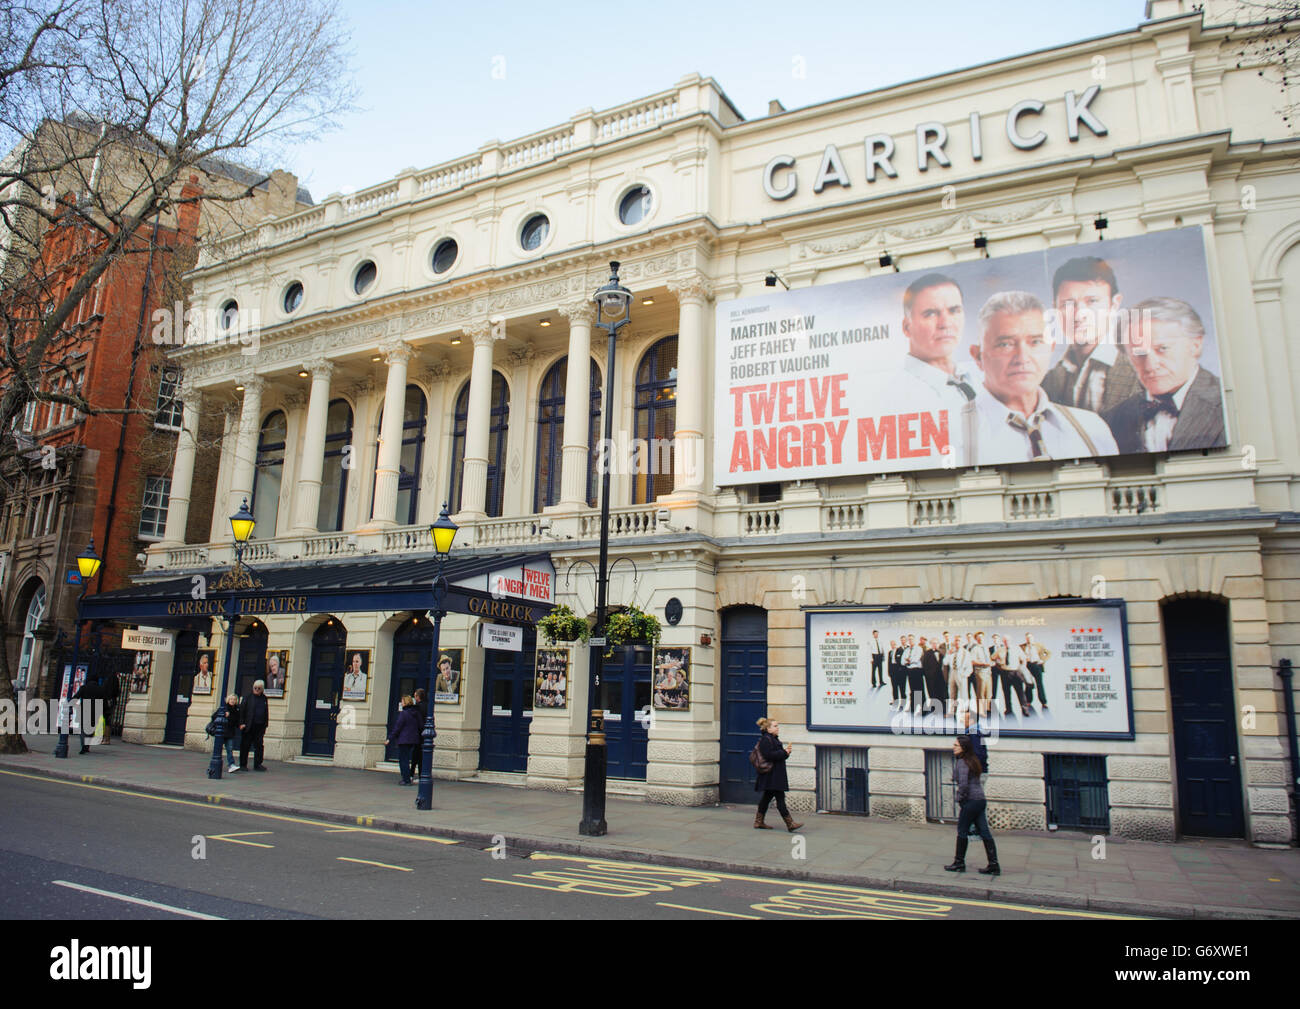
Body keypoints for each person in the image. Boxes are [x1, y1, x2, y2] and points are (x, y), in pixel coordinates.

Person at [969, 291, 1118, 464]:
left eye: (1036, 342)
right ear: (977, 356)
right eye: (1005, 344)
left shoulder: (1091, 428)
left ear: (1051, 348)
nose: (1023, 357)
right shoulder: (951, 435)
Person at [869, 273, 978, 466]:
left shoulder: (984, 378)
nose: (945, 323)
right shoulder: (889, 396)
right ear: (906, 327)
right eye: (931, 313)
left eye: (954, 310)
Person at [1103, 298, 1226, 455]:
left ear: (1195, 345)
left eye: (1162, 349)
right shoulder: (1112, 419)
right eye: (1138, 353)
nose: (1150, 365)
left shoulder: (1229, 403)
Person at [1041, 256, 1141, 415]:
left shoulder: (1143, 369)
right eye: (1068, 304)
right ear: (1055, 309)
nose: (1080, 314)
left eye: (1092, 301)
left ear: (1114, 304)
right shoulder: (1047, 382)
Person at [945, 734, 999, 875]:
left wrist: (960, 799)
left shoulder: (963, 762)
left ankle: (959, 863)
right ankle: (994, 864)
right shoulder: (973, 760)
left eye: (956, 745)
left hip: (971, 801)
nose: (953, 747)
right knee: (985, 832)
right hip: (980, 800)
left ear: (963, 748)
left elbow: (963, 785)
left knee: (962, 831)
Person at [753, 716, 803, 832]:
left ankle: (759, 821)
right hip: (772, 775)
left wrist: (786, 753)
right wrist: (784, 752)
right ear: (768, 729)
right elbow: (769, 755)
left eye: (777, 725)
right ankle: (790, 823)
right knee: (780, 798)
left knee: (766, 798)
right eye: (775, 726)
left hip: (774, 774)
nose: (777, 728)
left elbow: (776, 755)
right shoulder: (766, 739)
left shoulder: (772, 738)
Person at [385, 695, 420, 785]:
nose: (401, 703)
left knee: (403, 760)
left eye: (402, 701)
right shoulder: (415, 712)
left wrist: (390, 738)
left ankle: (406, 779)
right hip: (413, 739)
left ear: (405, 702)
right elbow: (420, 725)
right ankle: (408, 778)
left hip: (404, 739)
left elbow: (398, 727)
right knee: (407, 759)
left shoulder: (404, 714)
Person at [238, 679, 270, 771]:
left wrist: (265, 724)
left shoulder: (264, 698)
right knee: (245, 746)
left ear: (262, 689)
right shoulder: (247, 697)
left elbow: (266, 711)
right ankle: (243, 765)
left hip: (260, 726)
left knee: (259, 746)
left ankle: (258, 764)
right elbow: (242, 711)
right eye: (255, 688)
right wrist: (241, 723)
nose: (256, 689)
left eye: (259, 688)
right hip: (248, 726)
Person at [968, 631, 992, 717]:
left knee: (988, 692)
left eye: (982, 637)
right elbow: (972, 661)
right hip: (980, 672)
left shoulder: (986, 648)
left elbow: (989, 659)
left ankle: (988, 708)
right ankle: (981, 711)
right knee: (981, 692)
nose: (980, 639)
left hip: (988, 672)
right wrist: (983, 664)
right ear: (976, 639)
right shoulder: (975, 649)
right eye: (979, 637)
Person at [1023, 633, 1050, 709]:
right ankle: (1028, 701)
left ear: (1033, 638)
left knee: (1039, 684)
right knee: (1028, 683)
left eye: (1030, 637)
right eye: (1027, 638)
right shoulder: (1022, 646)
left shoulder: (1039, 645)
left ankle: (1043, 702)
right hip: (1027, 666)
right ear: (1026, 639)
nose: (1029, 639)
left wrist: (1042, 660)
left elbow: (1048, 653)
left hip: (1037, 665)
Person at [921, 636, 946, 713]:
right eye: (933, 643)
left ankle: (942, 707)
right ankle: (934, 707)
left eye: (936, 643)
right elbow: (924, 665)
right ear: (931, 644)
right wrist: (928, 675)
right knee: (932, 692)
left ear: (938, 644)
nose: (934, 645)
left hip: (940, 676)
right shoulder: (927, 653)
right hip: (931, 677)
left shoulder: (942, 653)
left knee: (941, 691)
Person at [217, 693, 241, 772]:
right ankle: (217, 763)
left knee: (229, 749)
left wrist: (240, 725)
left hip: (230, 732)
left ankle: (231, 764)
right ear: (228, 700)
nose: (233, 701)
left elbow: (236, 721)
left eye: (234, 699)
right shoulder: (224, 708)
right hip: (221, 732)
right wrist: (224, 715)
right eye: (231, 699)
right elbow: (215, 716)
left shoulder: (237, 710)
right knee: (218, 749)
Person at [904, 634, 926, 715]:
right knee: (912, 690)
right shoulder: (906, 650)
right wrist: (908, 661)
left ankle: (924, 709)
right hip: (910, 671)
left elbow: (916, 659)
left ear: (915, 640)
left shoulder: (919, 649)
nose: (910, 641)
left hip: (917, 671)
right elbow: (902, 661)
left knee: (920, 690)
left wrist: (908, 660)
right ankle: (912, 708)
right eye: (909, 639)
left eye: (912, 639)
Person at [410, 687, 428, 779]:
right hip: (425, 733)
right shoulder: (428, 706)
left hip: (418, 733)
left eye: (415, 696)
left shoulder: (418, 707)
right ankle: (421, 774)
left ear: (418, 697)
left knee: (416, 755)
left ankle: (412, 774)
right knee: (421, 755)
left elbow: (416, 720)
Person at [888, 638, 906, 708]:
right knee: (894, 687)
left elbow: (902, 661)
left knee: (902, 687)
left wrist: (902, 671)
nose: (893, 646)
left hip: (900, 672)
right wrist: (889, 672)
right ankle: (895, 701)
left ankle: (903, 702)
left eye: (894, 644)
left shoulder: (900, 650)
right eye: (891, 645)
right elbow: (889, 663)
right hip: (893, 672)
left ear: (896, 644)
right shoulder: (890, 652)